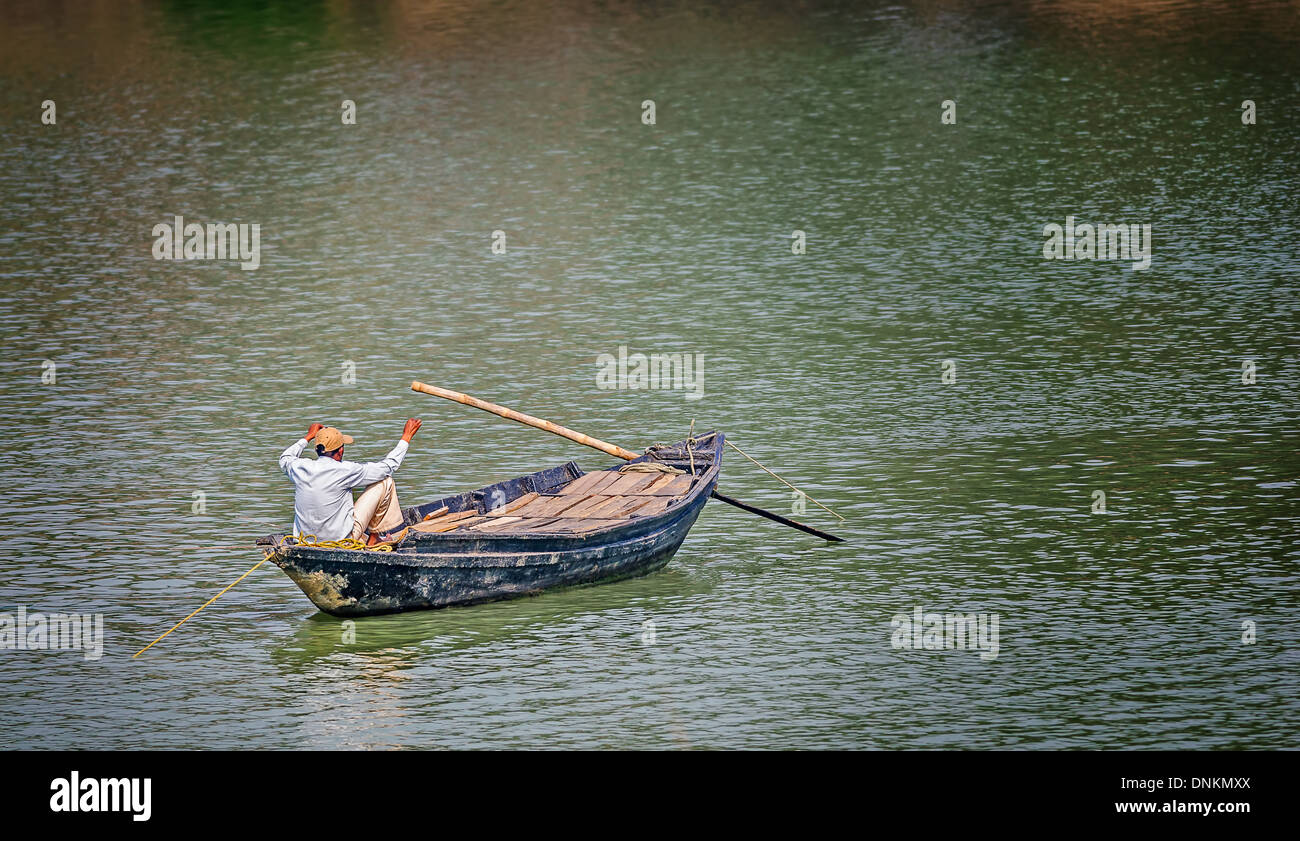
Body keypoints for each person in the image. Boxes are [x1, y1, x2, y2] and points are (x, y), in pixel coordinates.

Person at [279, 418, 422, 546]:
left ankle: (369, 536)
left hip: (305, 542)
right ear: (340, 450)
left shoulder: (299, 467)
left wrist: (308, 437)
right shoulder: (345, 470)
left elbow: (285, 458)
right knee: (385, 481)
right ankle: (374, 538)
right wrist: (406, 437)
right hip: (342, 542)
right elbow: (387, 467)